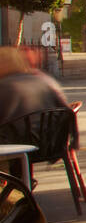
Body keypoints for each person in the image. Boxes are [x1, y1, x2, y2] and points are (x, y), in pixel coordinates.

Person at [0, 46, 73, 179]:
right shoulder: (42, 82)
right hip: (49, 144)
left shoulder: (4, 86)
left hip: (17, 146)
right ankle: (22, 182)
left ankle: (15, 185)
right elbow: (67, 111)